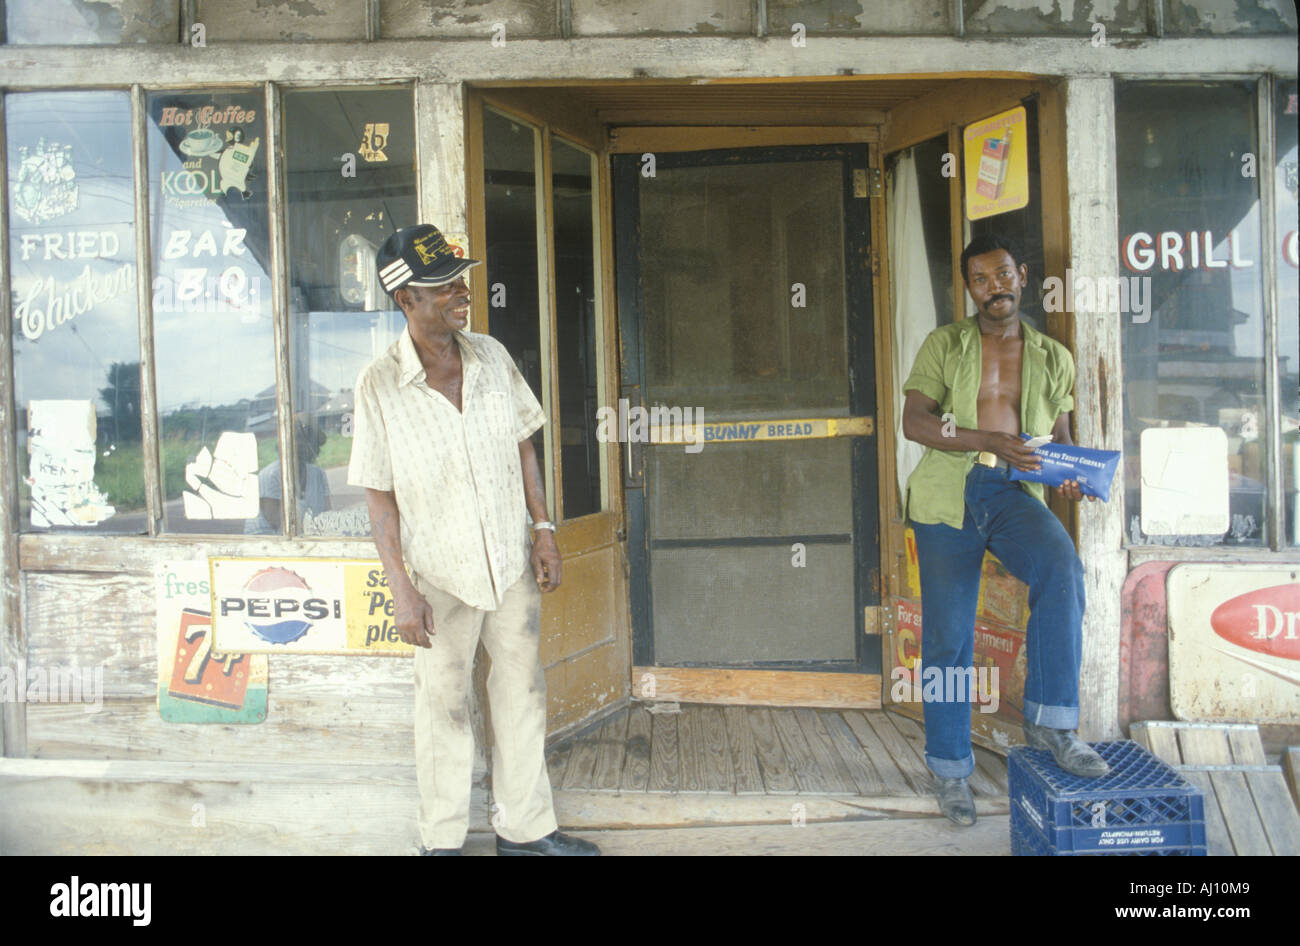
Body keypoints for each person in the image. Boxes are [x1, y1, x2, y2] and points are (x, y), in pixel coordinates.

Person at [347, 223, 598, 856]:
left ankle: (525, 832)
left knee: (521, 693)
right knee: (443, 708)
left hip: (510, 566)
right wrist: (401, 590)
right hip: (438, 575)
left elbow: (524, 445)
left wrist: (543, 530)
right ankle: (442, 842)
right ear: (407, 301)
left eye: (462, 280)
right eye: (445, 287)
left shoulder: (491, 355)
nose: (463, 292)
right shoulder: (378, 384)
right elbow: (378, 496)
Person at [900, 233, 1108, 828]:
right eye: (980, 279)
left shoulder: (1052, 356)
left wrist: (1073, 476)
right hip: (949, 494)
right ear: (970, 288)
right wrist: (988, 440)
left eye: (1002, 274)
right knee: (948, 634)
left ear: (1021, 275)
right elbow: (915, 422)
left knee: (1062, 569)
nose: (994, 287)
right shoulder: (946, 344)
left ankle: (1051, 722)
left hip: (1016, 492)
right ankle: (949, 768)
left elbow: (1062, 440)